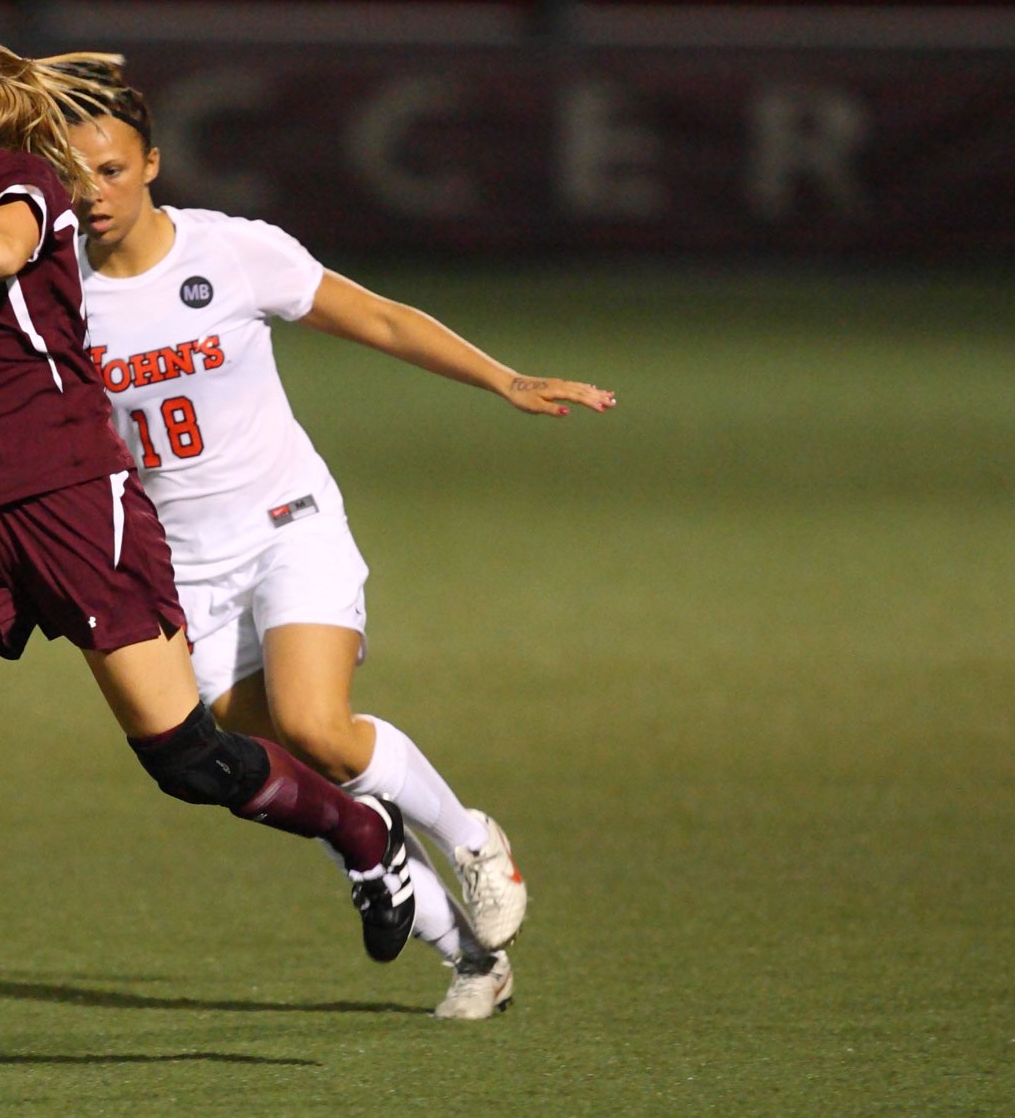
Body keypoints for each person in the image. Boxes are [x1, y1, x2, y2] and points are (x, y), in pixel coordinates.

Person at [0, 22, 436, 1054]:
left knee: (185, 758)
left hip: (72, 504)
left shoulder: (22, 186)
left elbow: (0, 252)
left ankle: (361, 830)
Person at [60, 69, 617, 1020]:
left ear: (150, 163)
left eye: (111, 169)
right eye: (74, 176)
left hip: (288, 524)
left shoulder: (232, 252)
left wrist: (503, 378)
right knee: (299, 776)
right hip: (178, 569)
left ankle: (472, 839)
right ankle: (473, 958)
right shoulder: (49, 282)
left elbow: (382, 317)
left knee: (316, 724)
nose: (93, 192)